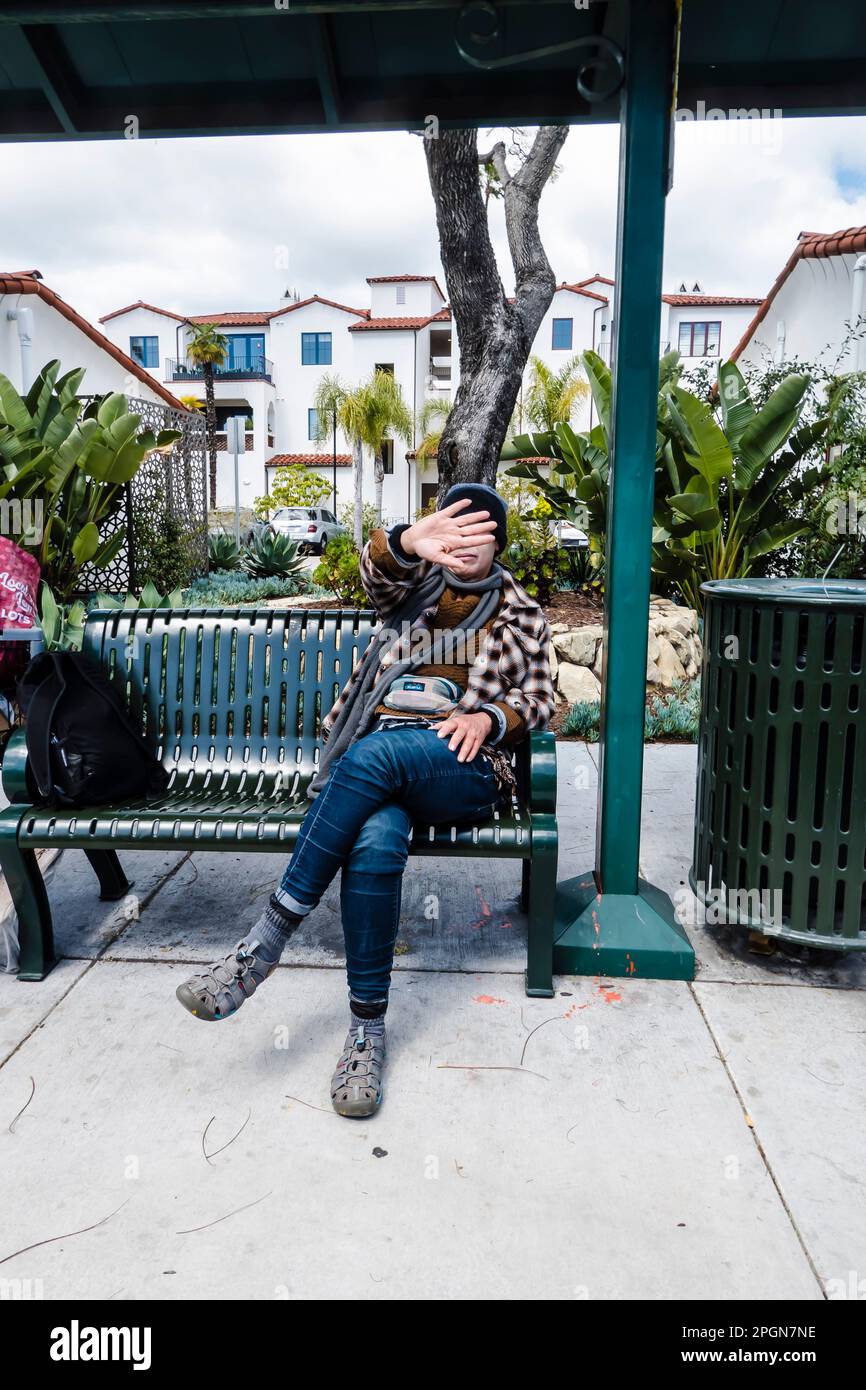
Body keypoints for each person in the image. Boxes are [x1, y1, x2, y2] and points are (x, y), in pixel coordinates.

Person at [176, 483, 554, 1117]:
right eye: (452, 531)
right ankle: (366, 1033)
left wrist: (491, 717)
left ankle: (265, 943)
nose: (461, 545)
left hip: (463, 764)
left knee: (370, 759)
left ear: (499, 543)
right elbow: (375, 569)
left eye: (477, 533)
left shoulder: (523, 613)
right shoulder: (413, 589)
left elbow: (543, 702)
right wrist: (409, 539)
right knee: (376, 837)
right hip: (383, 753)